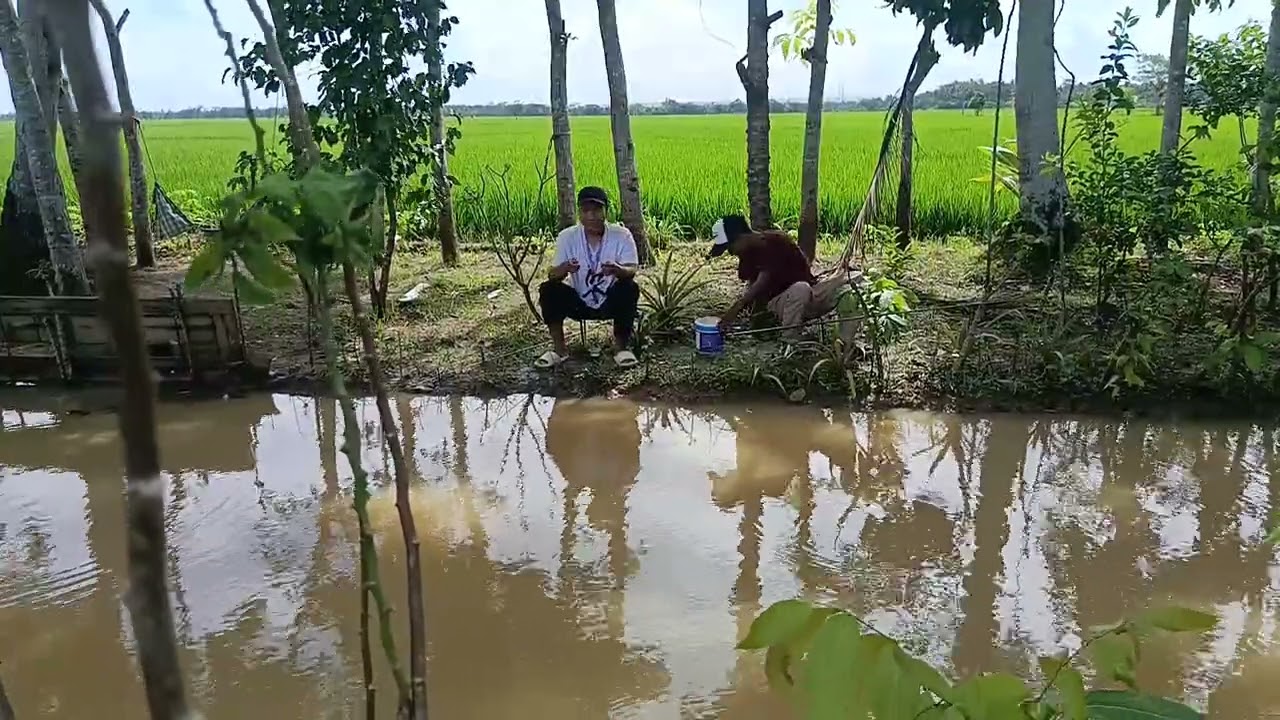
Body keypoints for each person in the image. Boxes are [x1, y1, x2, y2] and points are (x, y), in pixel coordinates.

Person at [708, 214, 864, 346]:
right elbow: (754, 289)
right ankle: (789, 339)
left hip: (811, 293)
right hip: (780, 303)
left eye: (730, 247)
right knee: (800, 290)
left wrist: (734, 311)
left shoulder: (776, 243)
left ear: (741, 237)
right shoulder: (746, 256)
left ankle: (845, 344)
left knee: (853, 279)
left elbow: (762, 282)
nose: (731, 253)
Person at [536, 186, 640, 369]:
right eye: (585, 211)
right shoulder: (567, 237)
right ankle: (560, 351)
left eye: (597, 210)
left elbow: (632, 269)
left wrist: (618, 270)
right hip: (579, 301)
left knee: (629, 287)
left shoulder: (621, 235)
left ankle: (621, 349)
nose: (591, 216)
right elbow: (552, 274)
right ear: (579, 213)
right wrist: (565, 268)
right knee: (548, 289)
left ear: (606, 211)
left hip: (610, 299)